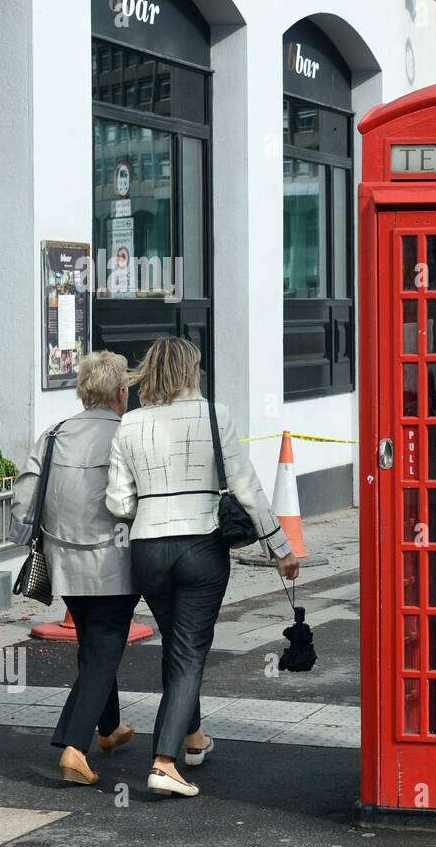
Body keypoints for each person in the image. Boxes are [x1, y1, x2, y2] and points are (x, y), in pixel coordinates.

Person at [106, 337, 300, 798]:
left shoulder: (129, 423)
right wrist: (280, 547)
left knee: (177, 642)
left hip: (148, 549)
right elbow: (247, 488)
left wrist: (150, 509)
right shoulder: (216, 414)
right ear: (191, 371)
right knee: (190, 651)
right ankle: (164, 761)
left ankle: (191, 738)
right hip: (201, 547)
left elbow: (116, 500)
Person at [9, 351, 139, 787]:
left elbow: (26, 494)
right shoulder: (129, 433)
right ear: (122, 392)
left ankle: (109, 728)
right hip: (115, 560)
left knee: (95, 644)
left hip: (63, 562)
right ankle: (73, 747)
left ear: (83, 391)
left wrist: (20, 536)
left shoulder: (54, 434)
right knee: (105, 647)